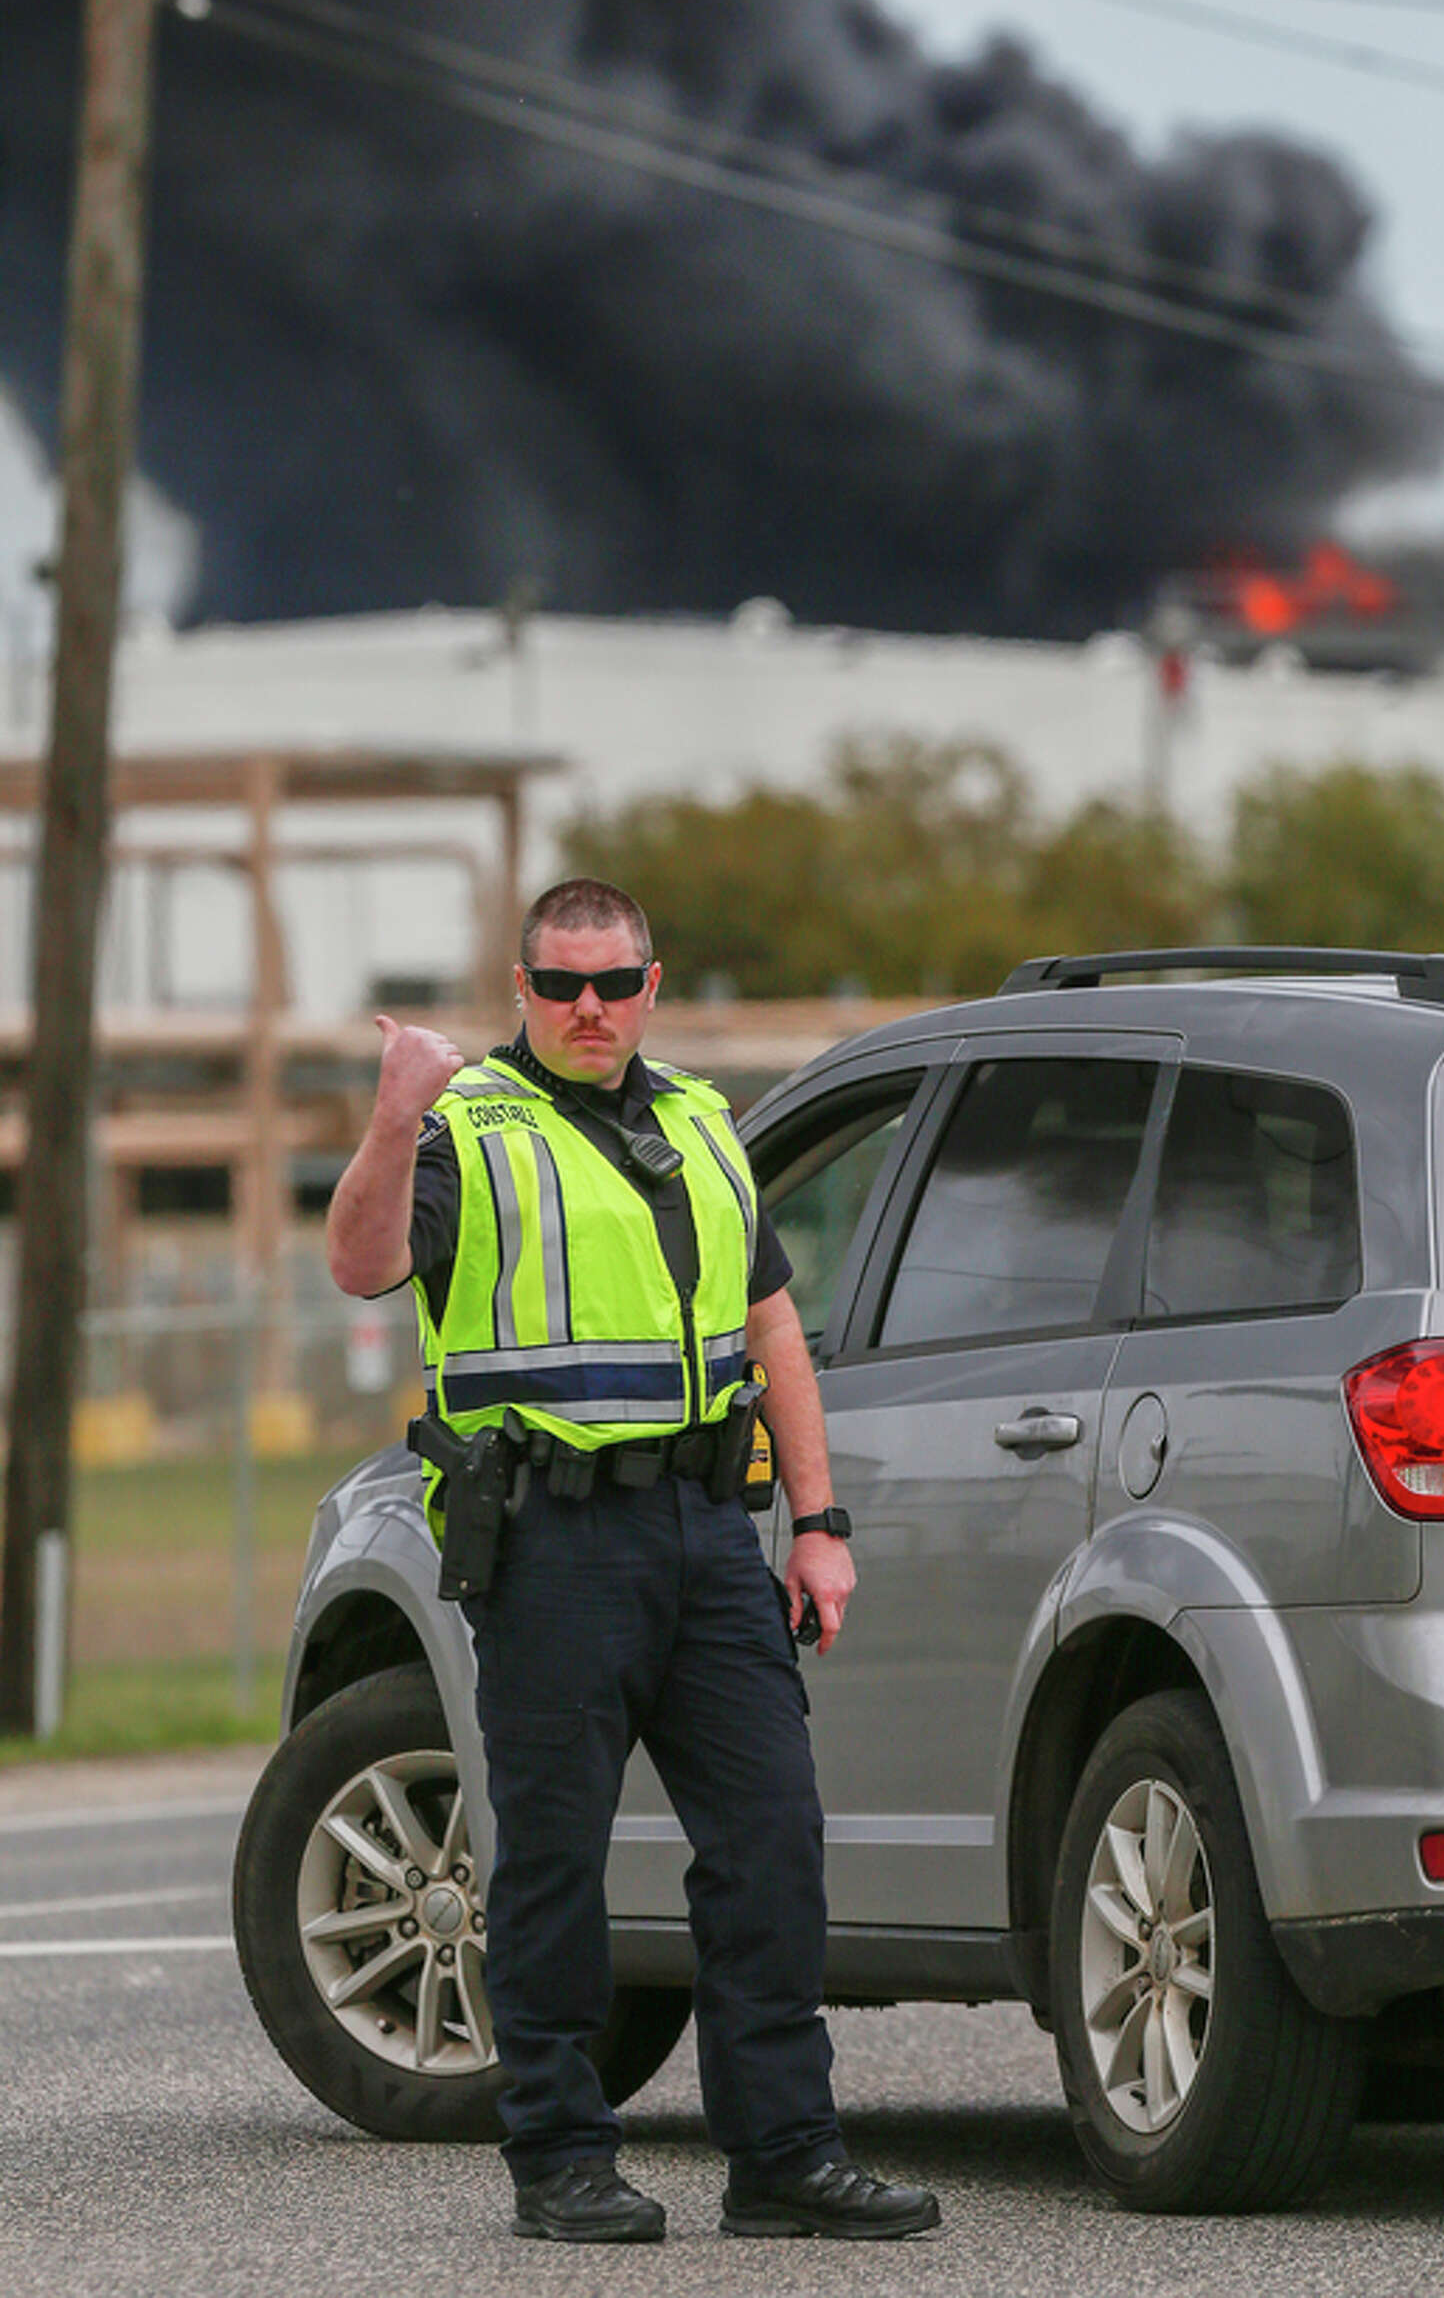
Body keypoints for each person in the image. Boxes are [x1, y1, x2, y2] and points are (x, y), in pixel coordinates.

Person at [325, 876, 939, 2246]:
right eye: (559, 985)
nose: (587, 1007)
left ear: (652, 986)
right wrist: (395, 1111)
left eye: (612, 983)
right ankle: (560, 2157)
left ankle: (784, 2156)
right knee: (553, 1862)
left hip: (709, 1535)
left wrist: (821, 1526)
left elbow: (772, 1330)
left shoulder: (704, 1122)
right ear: (524, 990)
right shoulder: (467, 1129)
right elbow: (360, 1265)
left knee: (772, 1842)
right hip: (551, 1541)